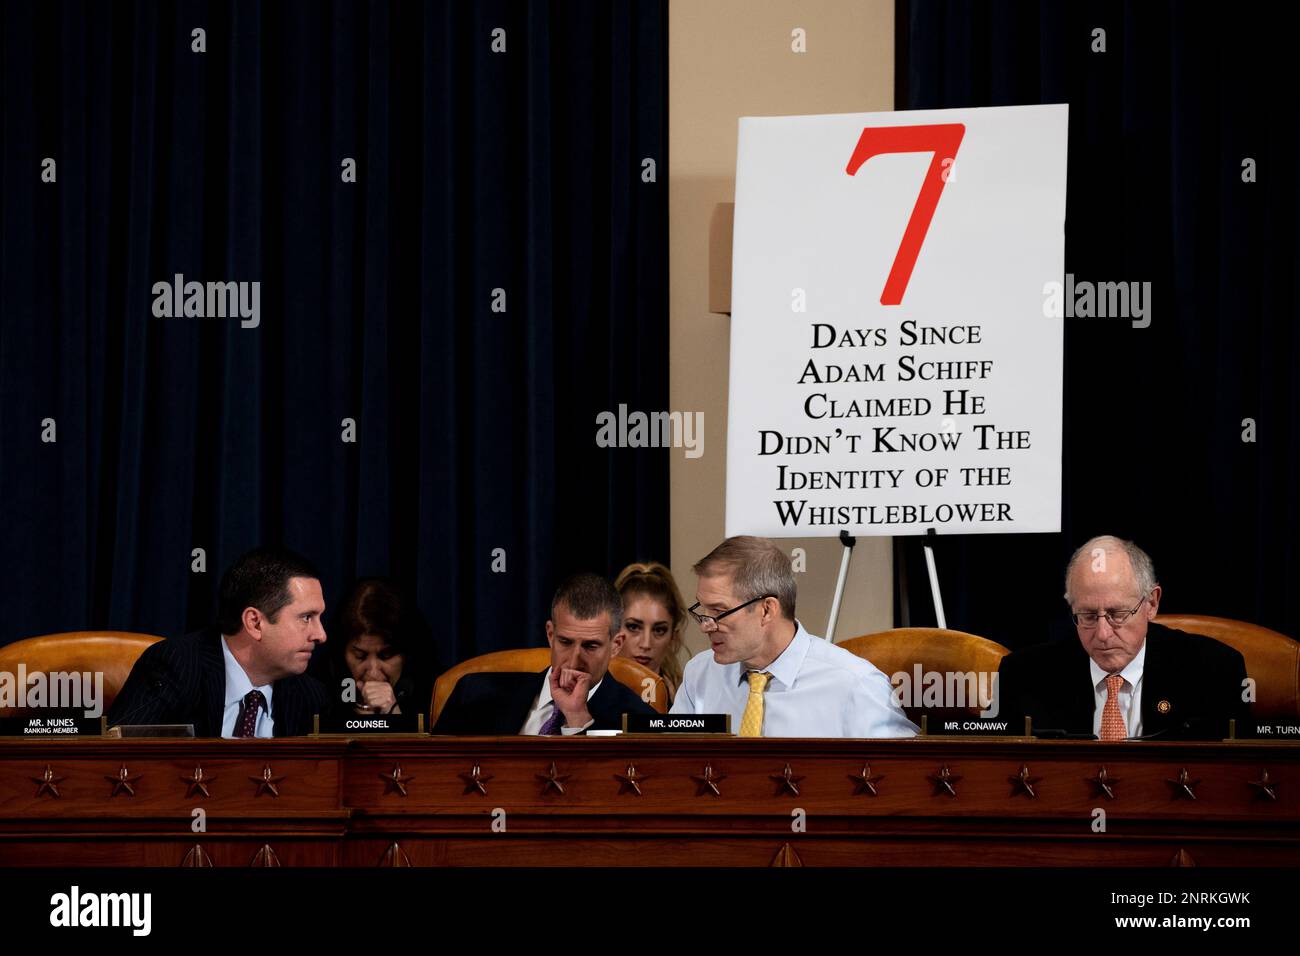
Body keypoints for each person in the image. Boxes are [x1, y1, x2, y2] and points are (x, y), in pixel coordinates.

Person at [996, 535, 1250, 740]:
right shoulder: (1023, 676)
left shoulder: (1214, 671)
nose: (1103, 634)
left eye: (1117, 614)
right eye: (1087, 616)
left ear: (1151, 603)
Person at [670, 536, 918, 738]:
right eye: (702, 610)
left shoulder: (855, 685)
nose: (706, 626)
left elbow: (904, 781)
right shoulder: (700, 674)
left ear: (766, 610)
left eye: (719, 611)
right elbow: (672, 769)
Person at [109, 547, 330, 737]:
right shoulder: (176, 667)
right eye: (306, 618)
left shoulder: (310, 698)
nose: (321, 635)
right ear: (255, 623)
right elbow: (117, 758)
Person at [432, 572, 656, 735]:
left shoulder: (639, 722)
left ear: (616, 644)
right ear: (550, 634)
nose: (574, 660)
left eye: (590, 646)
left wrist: (578, 721)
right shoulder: (474, 694)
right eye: (565, 642)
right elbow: (434, 780)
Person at [325, 578, 431, 718]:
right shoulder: (316, 693)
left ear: (407, 655)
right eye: (360, 656)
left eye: (386, 656)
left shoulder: (438, 695)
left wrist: (393, 715)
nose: (373, 673)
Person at [614, 561, 686, 704]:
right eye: (633, 627)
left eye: (659, 630)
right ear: (613, 628)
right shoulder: (585, 694)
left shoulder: (687, 700)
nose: (646, 644)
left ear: (673, 636)